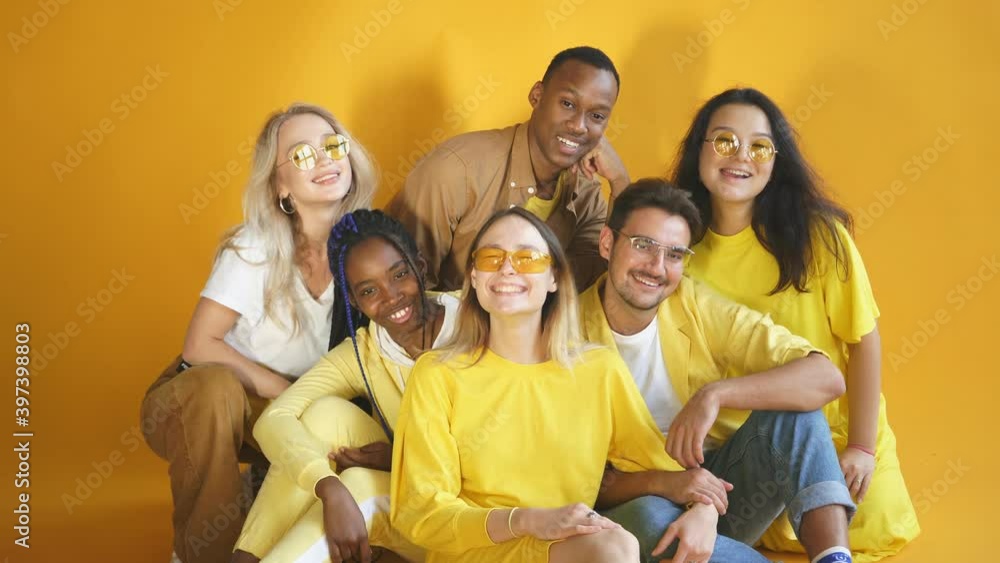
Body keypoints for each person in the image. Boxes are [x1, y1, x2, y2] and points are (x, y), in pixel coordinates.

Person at [672, 88, 919, 561]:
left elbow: (863, 341)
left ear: (776, 159)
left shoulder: (819, 237)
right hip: (741, 461)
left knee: (866, 525)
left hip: (831, 445)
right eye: (723, 141)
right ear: (698, 150)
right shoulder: (679, 247)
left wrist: (863, 448)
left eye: (759, 146)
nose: (740, 156)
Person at [140, 103, 377, 563]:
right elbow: (199, 346)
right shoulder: (254, 247)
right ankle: (201, 555)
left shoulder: (368, 247)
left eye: (332, 146)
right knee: (216, 390)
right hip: (202, 400)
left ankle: (260, 502)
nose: (325, 159)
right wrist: (290, 394)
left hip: (289, 409)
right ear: (279, 185)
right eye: (303, 155)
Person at [580, 179, 857, 563]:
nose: (657, 267)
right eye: (643, 245)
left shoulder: (693, 304)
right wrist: (673, 485)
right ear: (608, 244)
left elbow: (825, 378)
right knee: (649, 517)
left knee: (798, 414)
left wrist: (715, 395)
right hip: (631, 506)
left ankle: (834, 559)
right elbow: (583, 482)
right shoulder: (567, 334)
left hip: (719, 489)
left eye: (675, 254)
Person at [390, 208, 679, 563]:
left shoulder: (598, 370)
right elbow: (422, 513)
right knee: (615, 548)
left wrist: (704, 510)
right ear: (475, 277)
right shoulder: (437, 375)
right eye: (492, 257)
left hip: (567, 549)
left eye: (527, 258)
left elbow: (661, 465)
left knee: (621, 545)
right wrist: (526, 520)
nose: (507, 268)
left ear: (554, 277)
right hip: (474, 554)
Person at [230, 210, 461, 563]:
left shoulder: (477, 320)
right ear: (353, 300)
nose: (392, 296)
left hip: (470, 513)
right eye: (369, 290)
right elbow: (274, 418)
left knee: (359, 486)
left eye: (399, 274)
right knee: (324, 416)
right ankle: (244, 558)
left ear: (421, 266)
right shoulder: (364, 352)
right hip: (408, 496)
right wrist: (327, 486)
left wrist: (400, 460)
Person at [387, 45, 631, 292]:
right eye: (567, 104)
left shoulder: (586, 191)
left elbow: (604, 286)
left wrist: (620, 182)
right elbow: (402, 290)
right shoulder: (455, 171)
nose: (579, 126)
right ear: (537, 96)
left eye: (597, 116)